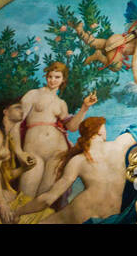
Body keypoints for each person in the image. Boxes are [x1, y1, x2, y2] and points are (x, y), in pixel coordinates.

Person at [28, 82, 137, 224]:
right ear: (99, 130)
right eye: (104, 128)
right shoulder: (118, 146)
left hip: (81, 211)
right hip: (110, 216)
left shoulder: (78, 160)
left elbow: (49, 197)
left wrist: (17, 211)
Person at [16, 62, 96, 197]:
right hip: (35, 148)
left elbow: (71, 127)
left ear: (63, 79)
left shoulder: (61, 103)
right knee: (26, 193)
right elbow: (16, 122)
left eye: (57, 77)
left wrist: (84, 107)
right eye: (50, 76)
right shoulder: (33, 94)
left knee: (44, 195)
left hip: (57, 152)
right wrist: (18, 151)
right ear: (46, 77)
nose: (53, 80)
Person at [75, 7, 137, 88]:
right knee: (116, 67)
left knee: (94, 43)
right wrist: (136, 74)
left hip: (117, 40)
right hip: (118, 45)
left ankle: (79, 30)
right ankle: (99, 56)